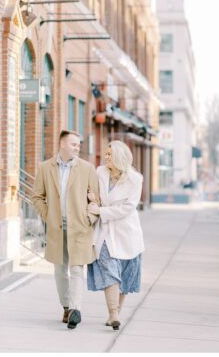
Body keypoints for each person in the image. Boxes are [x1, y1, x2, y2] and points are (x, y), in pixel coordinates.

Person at [31, 130, 100, 330]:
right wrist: (48, 216)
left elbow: (96, 199)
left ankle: (76, 310)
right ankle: (66, 306)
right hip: (56, 228)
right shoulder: (45, 168)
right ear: (62, 144)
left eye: (78, 144)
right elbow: (36, 196)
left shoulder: (87, 169)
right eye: (73, 144)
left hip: (80, 228)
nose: (77, 147)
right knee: (60, 270)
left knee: (77, 269)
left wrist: (89, 218)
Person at [86, 141, 144, 331]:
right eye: (106, 153)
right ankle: (113, 314)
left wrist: (101, 210)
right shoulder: (100, 172)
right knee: (109, 269)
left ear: (119, 157)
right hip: (104, 232)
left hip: (126, 231)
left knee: (124, 275)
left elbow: (128, 208)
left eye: (110, 154)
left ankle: (115, 313)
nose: (106, 157)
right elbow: (91, 191)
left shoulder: (135, 179)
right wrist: (92, 199)